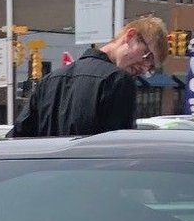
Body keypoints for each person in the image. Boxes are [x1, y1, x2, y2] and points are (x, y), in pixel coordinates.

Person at [11, 17, 168, 138]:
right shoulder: (118, 82)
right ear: (131, 36)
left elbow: (17, 138)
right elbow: (118, 149)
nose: (144, 68)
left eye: (151, 68)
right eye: (147, 57)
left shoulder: (49, 81)